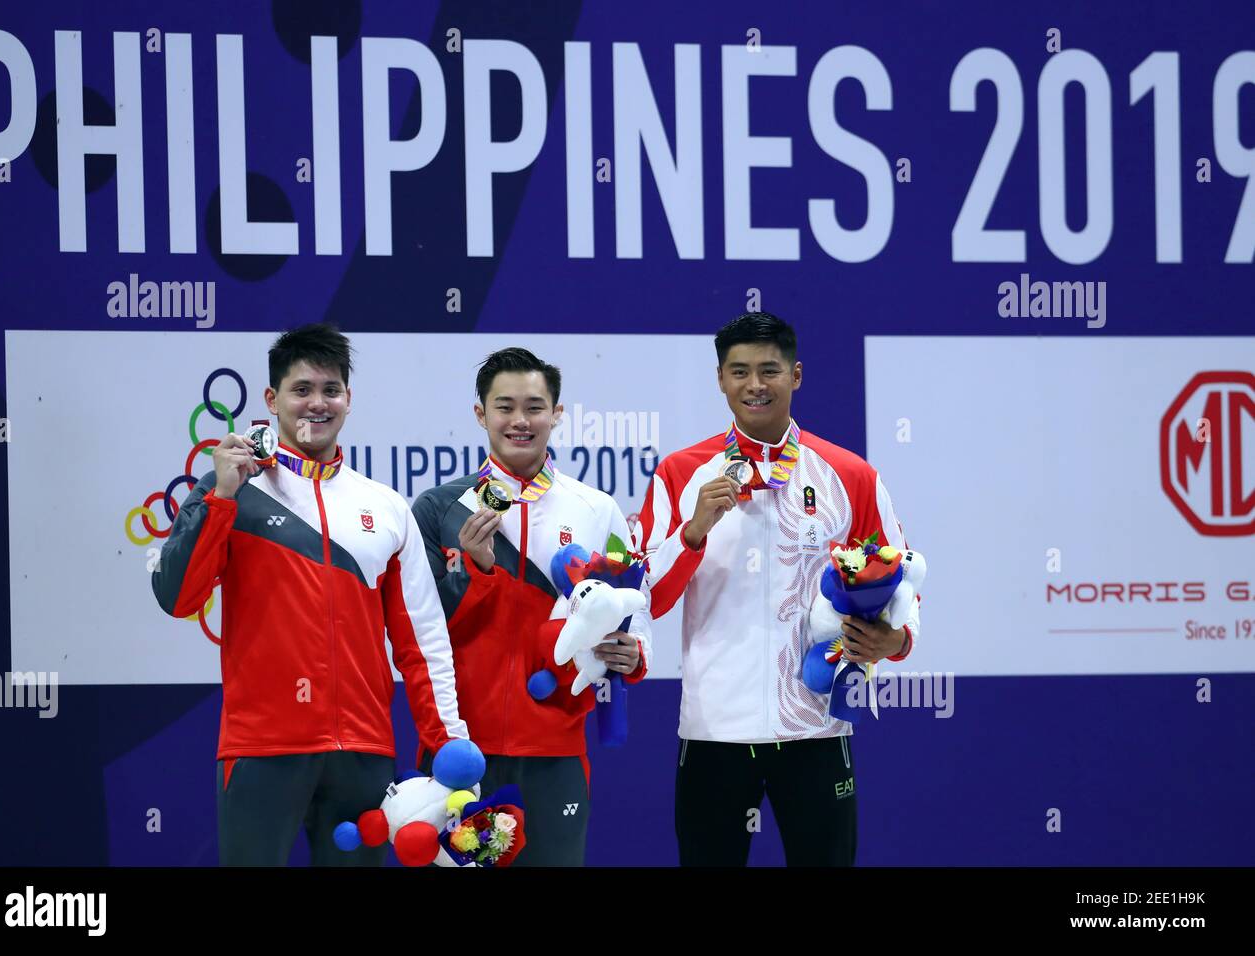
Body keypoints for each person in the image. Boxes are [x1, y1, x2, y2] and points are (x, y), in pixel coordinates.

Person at [152, 323, 468, 866]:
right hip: (262, 747)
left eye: (330, 390)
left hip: (363, 754)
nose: (316, 404)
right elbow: (177, 596)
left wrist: (450, 746)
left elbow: (423, 640)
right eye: (301, 390)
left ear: (349, 400)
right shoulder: (230, 488)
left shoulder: (386, 507)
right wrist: (222, 495)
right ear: (272, 400)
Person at [636, 312, 921, 867]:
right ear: (720, 379)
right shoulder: (681, 473)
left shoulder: (850, 473)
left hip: (816, 725)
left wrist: (897, 641)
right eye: (739, 371)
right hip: (715, 731)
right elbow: (648, 597)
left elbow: (901, 577)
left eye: (769, 370)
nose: (754, 384)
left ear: (796, 375)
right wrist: (692, 532)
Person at [411, 347, 653, 866]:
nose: (520, 421)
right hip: (461, 748)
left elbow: (637, 608)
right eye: (504, 406)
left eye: (534, 407)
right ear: (480, 414)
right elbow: (421, 631)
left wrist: (635, 654)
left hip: (556, 747)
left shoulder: (595, 507)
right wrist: (477, 569)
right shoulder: (438, 507)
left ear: (557, 414)